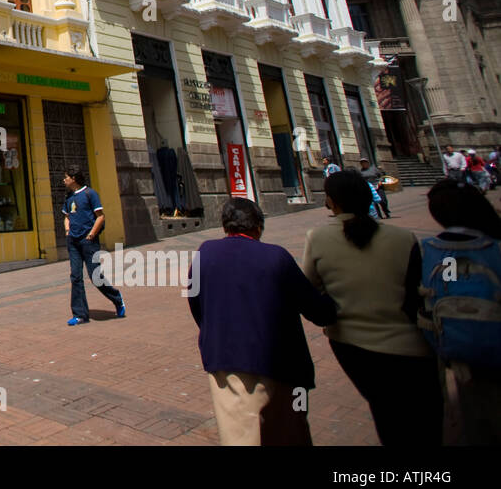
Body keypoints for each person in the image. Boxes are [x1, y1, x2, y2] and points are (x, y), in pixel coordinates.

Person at [301, 170, 442, 446]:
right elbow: (420, 293)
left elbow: (308, 290)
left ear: (330, 201)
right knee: (428, 421)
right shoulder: (405, 238)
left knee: (387, 416)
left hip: (352, 345)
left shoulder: (318, 238)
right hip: (412, 345)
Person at [187, 197, 336, 445]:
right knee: (295, 430)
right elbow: (317, 310)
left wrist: (214, 332)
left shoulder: (206, 252)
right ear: (258, 226)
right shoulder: (277, 257)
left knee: (240, 436)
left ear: (226, 227)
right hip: (287, 368)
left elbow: (196, 303)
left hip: (228, 362)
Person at [422, 179, 501, 445]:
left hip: (460, 355)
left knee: (476, 422)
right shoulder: (494, 248)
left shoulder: (430, 251)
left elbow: (432, 300)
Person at [62, 170, 125, 326]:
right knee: (76, 277)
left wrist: (91, 234)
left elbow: (100, 216)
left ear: (74, 178)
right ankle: (80, 314)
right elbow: (67, 216)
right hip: (73, 242)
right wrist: (68, 231)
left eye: (66, 177)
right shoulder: (69, 197)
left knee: (95, 276)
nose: (64, 180)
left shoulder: (90, 194)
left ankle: (117, 299)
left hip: (88, 242)